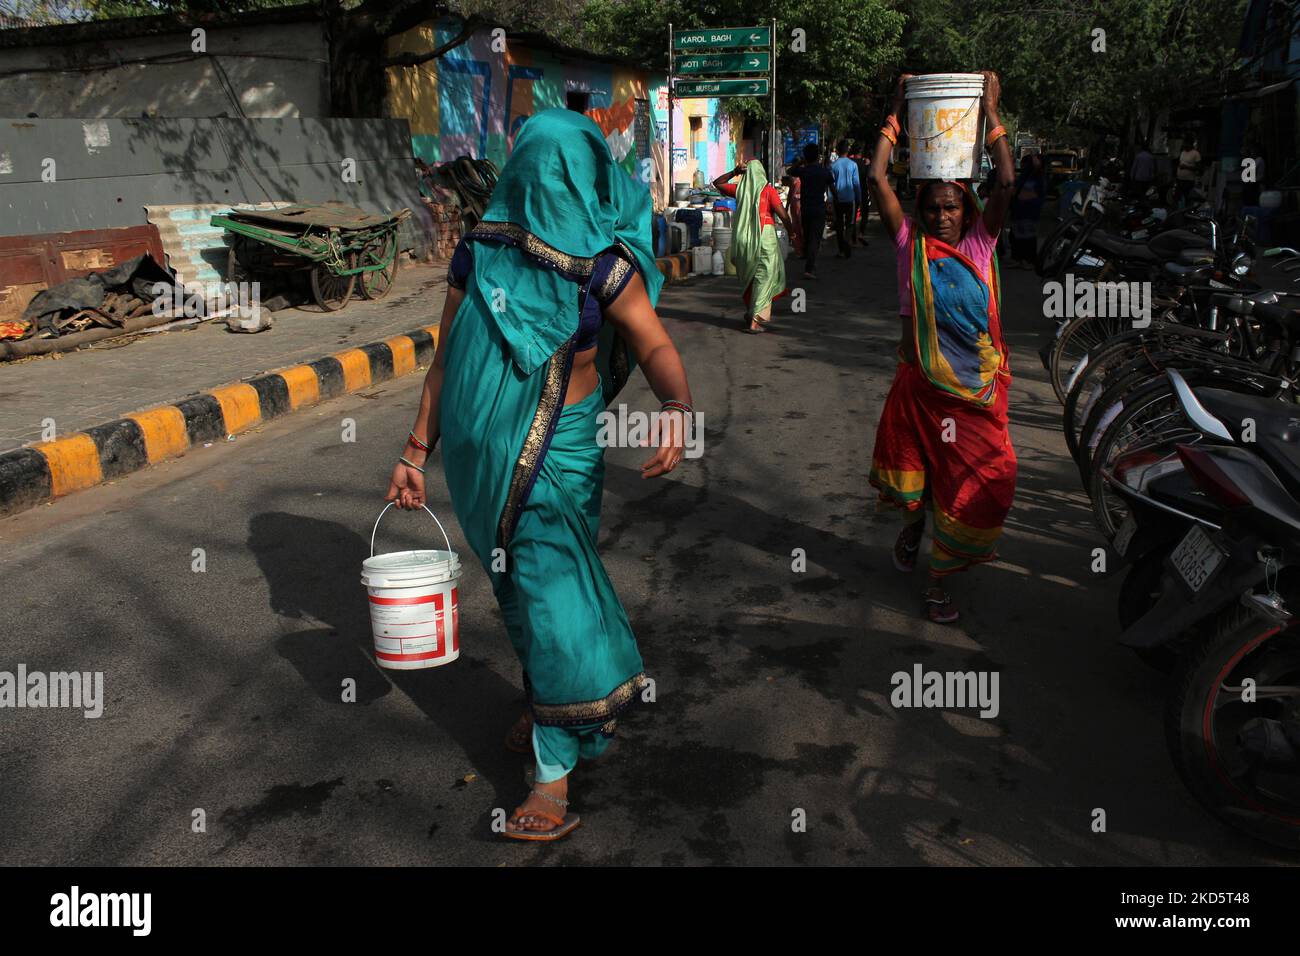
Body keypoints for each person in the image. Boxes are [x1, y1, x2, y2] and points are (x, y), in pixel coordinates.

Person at [384, 109, 695, 841]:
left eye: (563, 167)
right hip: (481, 455)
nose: (549, 179)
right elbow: (446, 360)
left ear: (586, 174)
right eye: (539, 164)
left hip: (561, 454)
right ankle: (551, 694)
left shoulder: (604, 265)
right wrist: (414, 450)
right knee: (518, 589)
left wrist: (677, 405)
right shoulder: (478, 253)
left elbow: (652, 344)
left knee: (552, 588)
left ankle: (552, 774)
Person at [866, 71, 1018, 623]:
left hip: (972, 395)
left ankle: (937, 556)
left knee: (981, 480)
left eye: (951, 206)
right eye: (932, 208)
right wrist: (898, 106)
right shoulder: (909, 244)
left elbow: (1004, 184)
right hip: (918, 389)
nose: (941, 216)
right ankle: (928, 566)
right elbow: (877, 175)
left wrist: (993, 113)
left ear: (966, 209)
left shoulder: (979, 244)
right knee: (923, 478)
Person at [713, 160, 793, 333]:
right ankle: (756, 320)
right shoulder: (768, 190)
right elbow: (783, 215)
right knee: (765, 275)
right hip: (764, 237)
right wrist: (792, 232)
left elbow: (717, 183)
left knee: (750, 275)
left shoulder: (740, 190)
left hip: (743, 239)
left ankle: (751, 312)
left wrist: (734, 172)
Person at [789, 142, 835, 279]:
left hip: (806, 209)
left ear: (806, 157)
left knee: (809, 237)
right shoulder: (824, 171)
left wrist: (802, 162)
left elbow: (790, 171)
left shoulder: (804, 171)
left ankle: (809, 262)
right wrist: (834, 203)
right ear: (818, 157)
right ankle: (809, 268)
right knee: (815, 239)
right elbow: (833, 189)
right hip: (819, 209)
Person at [1007, 153, 1045, 268]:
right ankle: (1017, 259)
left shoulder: (1039, 178)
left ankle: (1029, 261)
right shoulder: (1024, 176)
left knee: (1028, 237)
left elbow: (1038, 194)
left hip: (1030, 212)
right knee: (1016, 236)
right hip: (1018, 211)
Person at [830, 140, 862, 258]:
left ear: (837, 151)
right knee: (850, 224)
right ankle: (846, 246)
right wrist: (858, 198)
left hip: (837, 199)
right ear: (848, 150)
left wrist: (830, 199)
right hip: (850, 199)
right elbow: (856, 184)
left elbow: (831, 185)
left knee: (838, 224)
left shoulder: (833, 166)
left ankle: (841, 250)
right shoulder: (853, 165)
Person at [1176, 137, 1201, 208]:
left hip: (1188, 181)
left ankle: (1187, 212)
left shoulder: (1196, 153)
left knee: (1188, 198)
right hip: (1179, 179)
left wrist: (1186, 167)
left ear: (1190, 144)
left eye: (1185, 143)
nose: (1184, 145)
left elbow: (1199, 168)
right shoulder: (1183, 152)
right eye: (1184, 143)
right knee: (1178, 198)